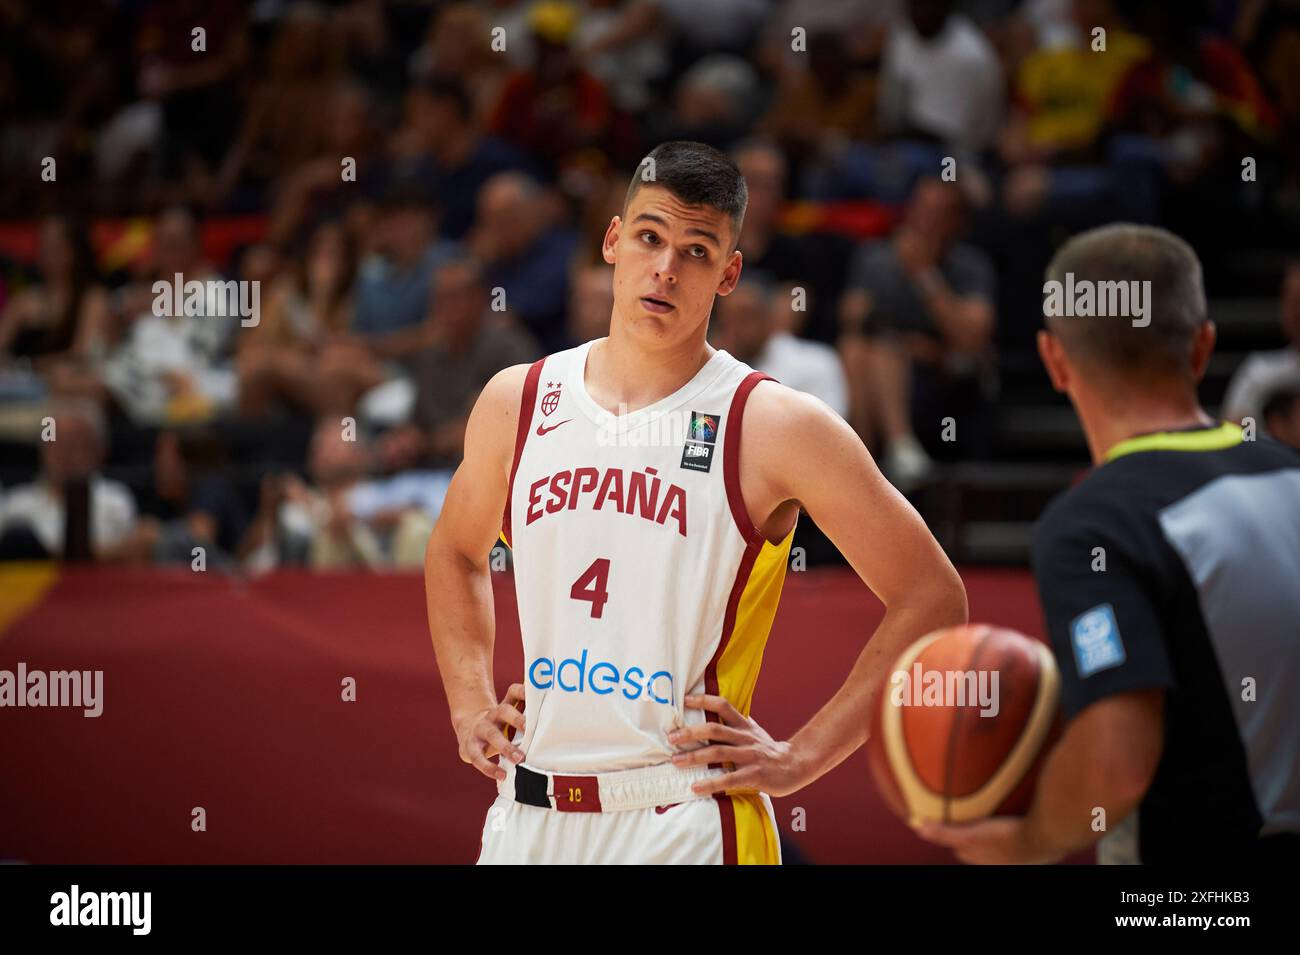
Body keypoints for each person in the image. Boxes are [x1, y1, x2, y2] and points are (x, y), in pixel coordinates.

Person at [424, 141, 967, 865]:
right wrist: (467, 706)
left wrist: (801, 757)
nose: (666, 268)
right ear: (613, 241)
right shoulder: (517, 400)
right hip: (529, 813)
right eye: (650, 236)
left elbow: (933, 596)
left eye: (698, 250)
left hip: (682, 816)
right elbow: (456, 550)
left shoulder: (773, 424)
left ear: (729, 273)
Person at [919, 224, 1300, 864]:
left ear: (1055, 360)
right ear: (1203, 347)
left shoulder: (1093, 523)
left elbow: (1117, 762)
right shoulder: (1289, 473)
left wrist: (1027, 840)